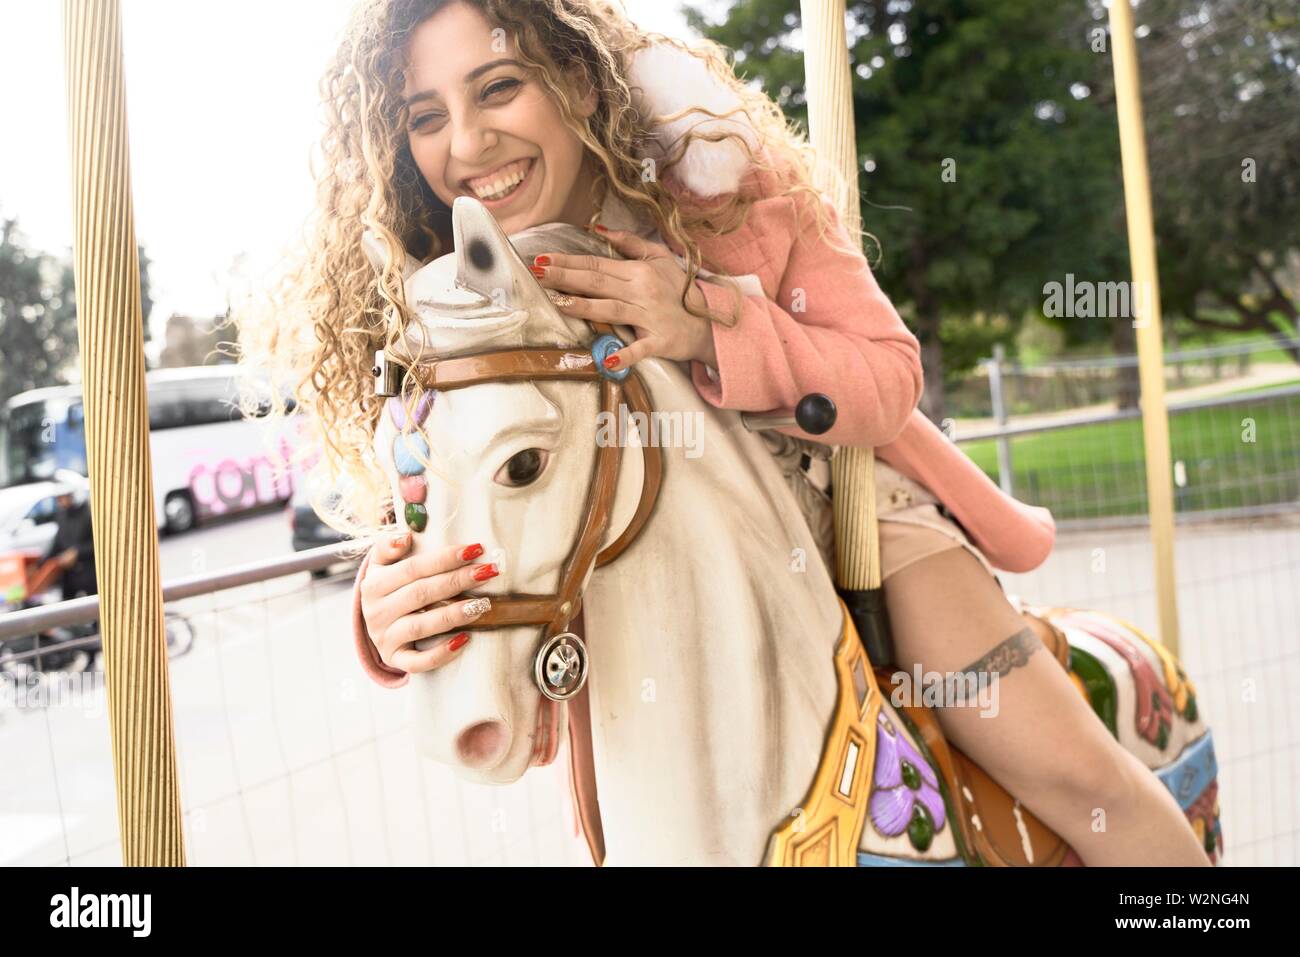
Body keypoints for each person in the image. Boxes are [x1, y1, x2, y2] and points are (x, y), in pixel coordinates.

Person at [240, 0, 1207, 866]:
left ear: (574, 78)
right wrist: (387, 599)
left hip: (848, 517)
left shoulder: (721, 194)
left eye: (499, 87)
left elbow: (888, 372)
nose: (469, 139)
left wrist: (706, 319)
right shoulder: (450, 288)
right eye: (426, 116)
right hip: (643, 604)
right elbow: (441, 485)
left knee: (1084, 784)